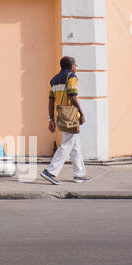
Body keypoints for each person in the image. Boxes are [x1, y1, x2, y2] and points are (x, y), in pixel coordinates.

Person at [41, 55, 91, 184]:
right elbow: (73, 96)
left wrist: (50, 119)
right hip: (70, 116)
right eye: (75, 65)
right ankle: (50, 171)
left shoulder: (54, 80)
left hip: (61, 115)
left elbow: (51, 102)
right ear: (71, 66)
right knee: (68, 144)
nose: (76, 67)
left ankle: (79, 174)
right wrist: (82, 112)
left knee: (75, 146)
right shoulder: (72, 77)